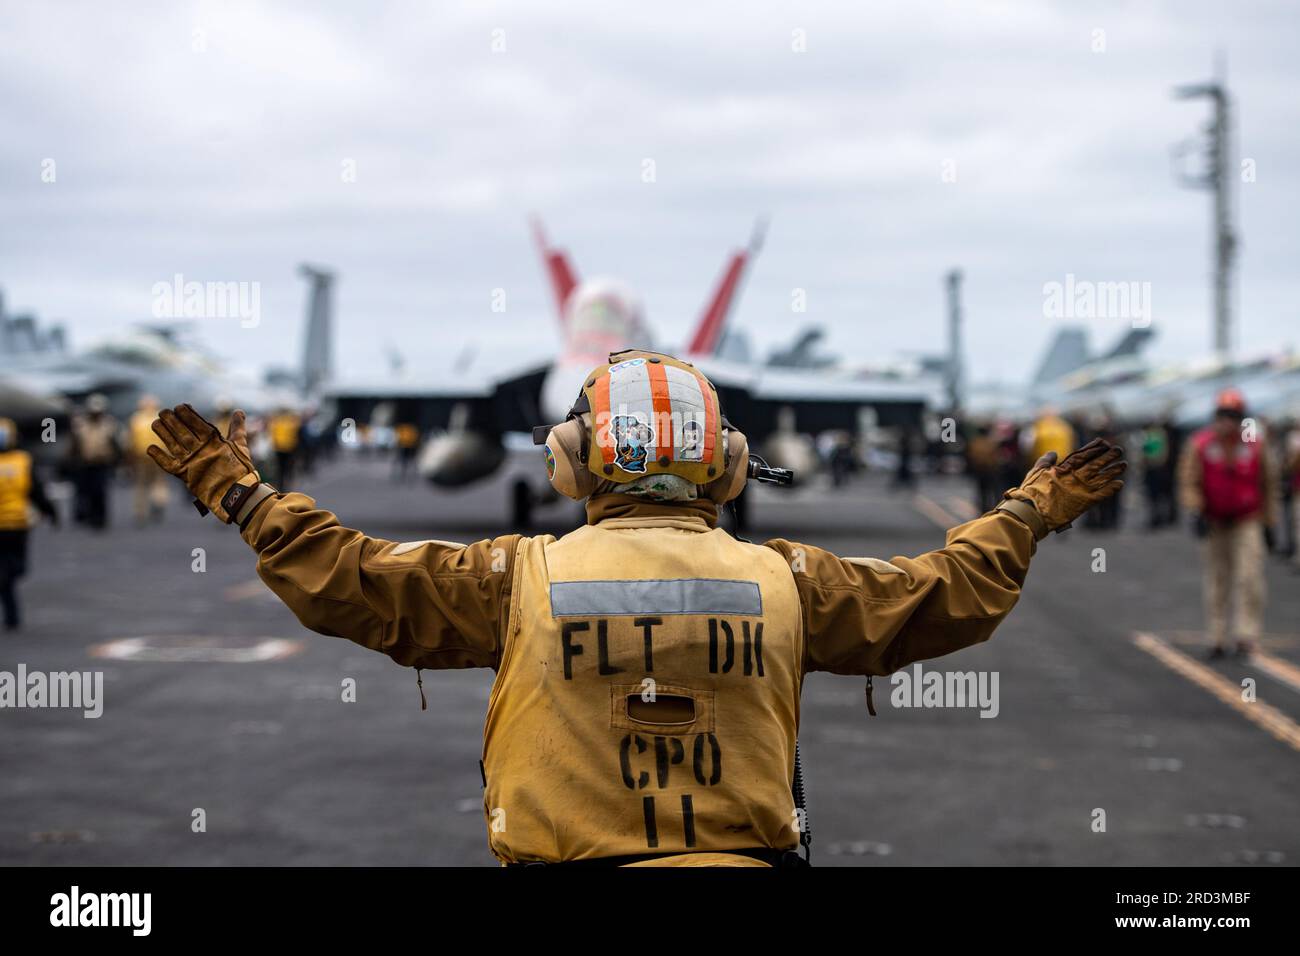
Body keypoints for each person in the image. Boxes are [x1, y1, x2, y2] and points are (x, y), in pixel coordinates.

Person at [147, 349, 1125, 867]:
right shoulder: (790, 581)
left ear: (572, 462)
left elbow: (350, 578)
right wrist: (1025, 512)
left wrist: (242, 494)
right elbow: (941, 593)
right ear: (728, 462)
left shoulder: (510, 579)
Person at [1177, 389, 1280, 659]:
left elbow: (1268, 484)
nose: (1227, 422)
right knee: (1218, 580)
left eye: (1233, 416)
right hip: (1214, 520)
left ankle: (1246, 635)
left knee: (1250, 578)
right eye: (1223, 416)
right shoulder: (1200, 444)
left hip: (1247, 520)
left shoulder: (1255, 444)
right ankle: (1217, 636)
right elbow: (1189, 481)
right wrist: (1195, 510)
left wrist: (1270, 523)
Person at [0, 418, 58, 630]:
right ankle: (11, 615)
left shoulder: (22, 460)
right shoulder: (22, 461)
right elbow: (37, 492)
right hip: (17, 524)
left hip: (14, 523)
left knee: (10, 570)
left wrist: (49, 511)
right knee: (15, 569)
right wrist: (50, 512)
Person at [68, 393, 121, 530]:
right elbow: (75, 444)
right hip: (84, 463)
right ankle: (88, 516)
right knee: (84, 491)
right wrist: (70, 460)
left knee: (100, 492)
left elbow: (115, 444)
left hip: (102, 463)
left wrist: (118, 461)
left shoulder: (109, 424)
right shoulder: (80, 424)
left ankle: (100, 518)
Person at [128, 395, 170, 525]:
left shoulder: (136, 419)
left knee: (141, 485)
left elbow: (131, 441)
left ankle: (141, 512)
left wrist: (129, 458)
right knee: (159, 482)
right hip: (159, 456)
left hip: (142, 456)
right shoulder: (162, 420)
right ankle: (158, 503)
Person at [267, 407, 301, 488]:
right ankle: (282, 484)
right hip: (284, 448)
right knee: (284, 467)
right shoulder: (285, 421)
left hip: (286, 448)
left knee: (285, 467)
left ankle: (283, 483)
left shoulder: (280, 421)